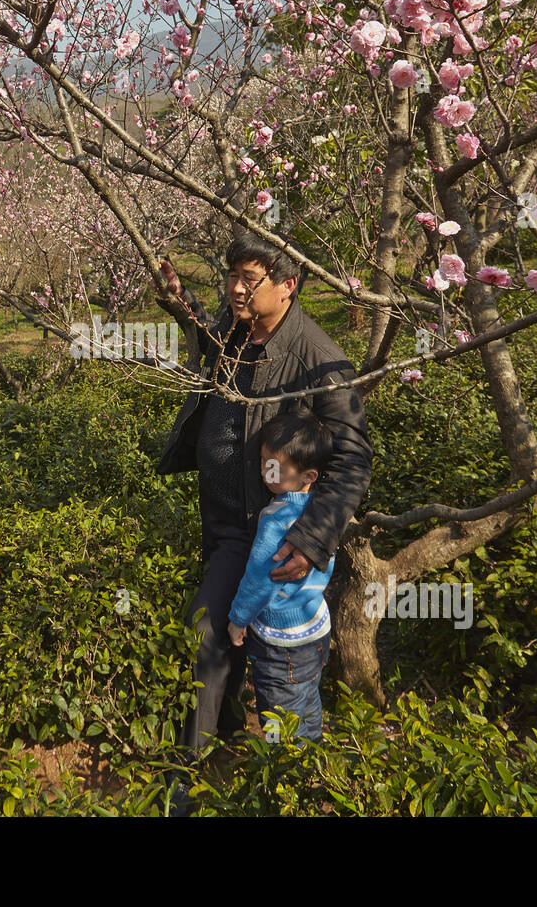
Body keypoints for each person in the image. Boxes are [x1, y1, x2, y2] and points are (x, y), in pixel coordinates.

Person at [153, 234, 372, 802]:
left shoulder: (321, 361)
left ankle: (200, 776)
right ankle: (224, 734)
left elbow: (352, 462)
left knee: (210, 633)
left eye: (249, 279)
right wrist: (180, 302)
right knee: (218, 634)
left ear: (288, 286)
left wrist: (313, 537)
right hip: (224, 516)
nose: (235, 288)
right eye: (232, 276)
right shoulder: (234, 324)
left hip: (264, 530)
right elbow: (212, 340)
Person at [227, 411, 336, 743]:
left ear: (308, 474)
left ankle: (284, 780)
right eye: (263, 462)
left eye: (274, 466)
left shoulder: (274, 520)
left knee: (277, 719)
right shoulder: (326, 512)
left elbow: (260, 579)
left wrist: (238, 619)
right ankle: (313, 764)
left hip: (281, 642)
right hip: (316, 630)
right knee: (307, 703)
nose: (264, 472)